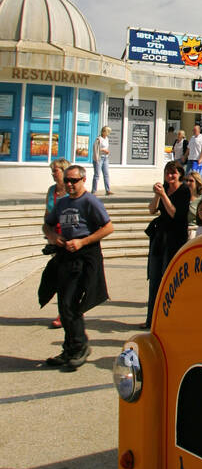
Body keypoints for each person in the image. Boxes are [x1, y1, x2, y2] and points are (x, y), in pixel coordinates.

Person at [40, 166, 113, 369]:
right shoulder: (62, 203)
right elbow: (47, 224)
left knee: (72, 303)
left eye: (74, 180)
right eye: (67, 180)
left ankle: (79, 346)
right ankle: (70, 348)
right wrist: (53, 237)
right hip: (66, 256)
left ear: (83, 180)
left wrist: (83, 241)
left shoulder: (89, 201)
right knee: (64, 304)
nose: (70, 184)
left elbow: (108, 227)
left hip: (84, 256)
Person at [144, 162, 191, 327]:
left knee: (168, 278)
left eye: (173, 173)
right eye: (167, 173)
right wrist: (157, 195)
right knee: (154, 279)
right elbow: (151, 210)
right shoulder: (163, 188)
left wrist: (163, 195)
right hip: (159, 238)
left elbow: (175, 214)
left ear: (179, 174)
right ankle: (151, 319)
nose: (170, 176)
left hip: (175, 239)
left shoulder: (184, 190)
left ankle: (168, 319)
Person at [44, 157, 71, 328]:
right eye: (52, 171)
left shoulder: (72, 192)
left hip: (70, 238)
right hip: (56, 239)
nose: (53, 174)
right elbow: (47, 213)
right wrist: (49, 234)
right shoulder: (51, 191)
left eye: (56, 170)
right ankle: (69, 308)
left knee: (67, 277)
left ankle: (65, 312)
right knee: (61, 277)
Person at [91, 126, 112, 195]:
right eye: (108, 132)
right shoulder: (98, 139)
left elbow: (106, 147)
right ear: (104, 132)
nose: (108, 133)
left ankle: (108, 190)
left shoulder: (107, 139)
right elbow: (95, 149)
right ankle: (94, 190)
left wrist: (107, 151)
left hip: (105, 158)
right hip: (99, 158)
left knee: (106, 174)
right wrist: (103, 150)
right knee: (97, 175)